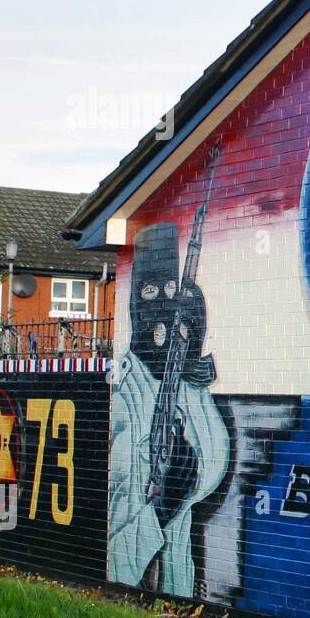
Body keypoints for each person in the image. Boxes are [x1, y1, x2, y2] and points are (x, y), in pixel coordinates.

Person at [108, 222, 229, 597]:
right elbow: (116, 555)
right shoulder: (125, 393)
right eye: (149, 292)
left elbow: (212, 467)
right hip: (138, 597)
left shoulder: (184, 383)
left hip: (178, 589)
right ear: (134, 306)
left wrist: (191, 359)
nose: (162, 303)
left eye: (171, 293)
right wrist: (161, 508)